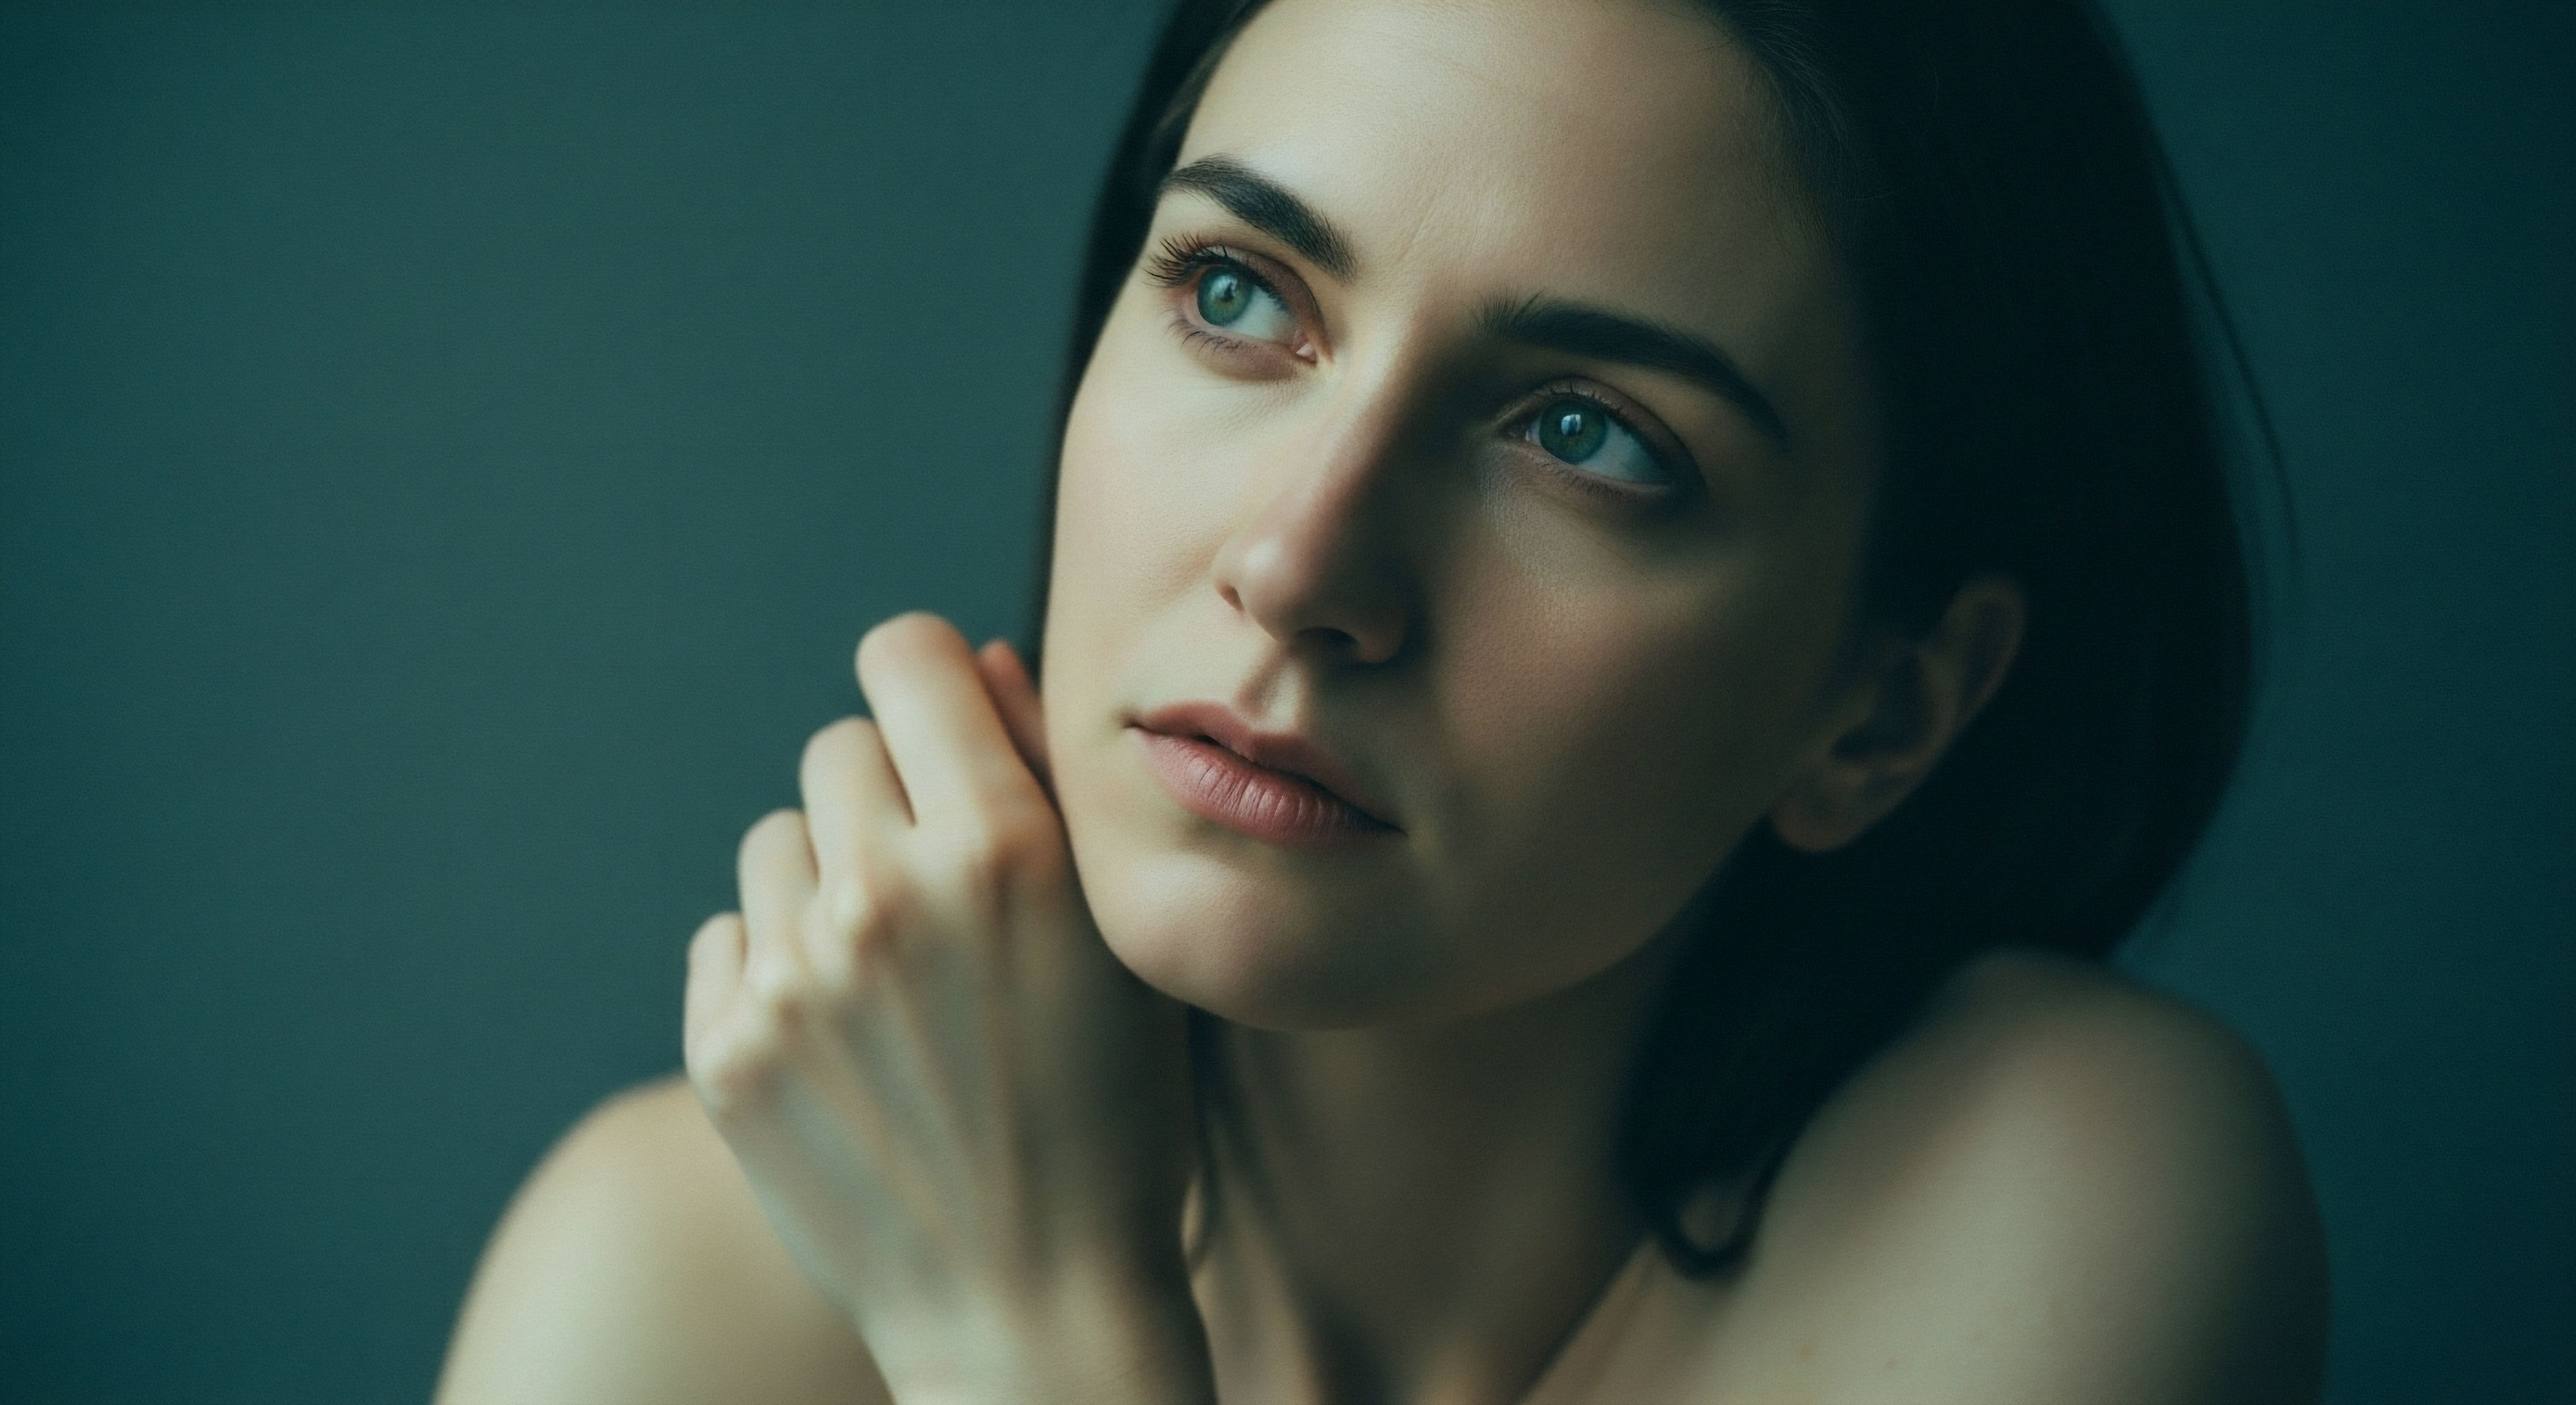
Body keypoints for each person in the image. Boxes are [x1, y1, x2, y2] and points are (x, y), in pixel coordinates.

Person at [437, 0, 2330, 1399]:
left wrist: (1028, 1326)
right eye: (1241, 297)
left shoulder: (2065, 1184)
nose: (1301, 564)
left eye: (1586, 436)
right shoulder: (668, 1289)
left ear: (1882, 710)